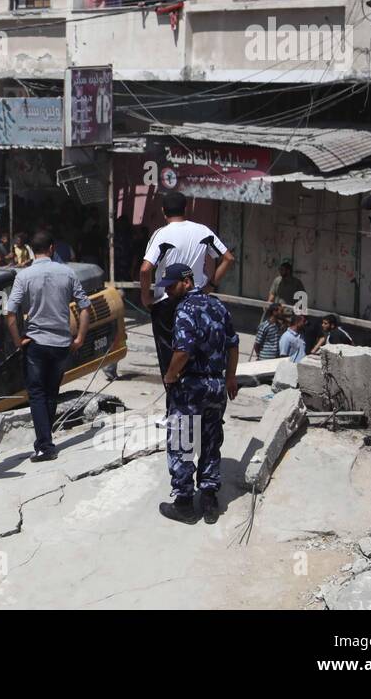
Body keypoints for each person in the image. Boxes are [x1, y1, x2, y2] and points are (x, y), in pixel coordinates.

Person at [156, 263, 238, 524]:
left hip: (191, 388)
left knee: (182, 441)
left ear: (187, 282)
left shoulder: (185, 310)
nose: (168, 291)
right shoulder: (218, 306)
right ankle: (209, 500)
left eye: (171, 286)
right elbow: (233, 344)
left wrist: (170, 377)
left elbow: (183, 350)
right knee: (211, 440)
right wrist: (230, 378)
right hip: (215, 387)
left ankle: (184, 505)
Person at [5, 231, 91, 462]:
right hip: (62, 343)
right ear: (52, 248)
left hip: (35, 342)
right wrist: (80, 338)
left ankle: (44, 444)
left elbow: (10, 313)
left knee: (36, 394)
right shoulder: (68, 273)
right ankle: (46, 439)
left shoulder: (24, 276)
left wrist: (17, 341)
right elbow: (85, 307)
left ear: (32, 250)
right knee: (52, 392)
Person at [139, 191, 235, 379]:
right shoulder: (203, 231)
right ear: (186, 208)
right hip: (198, 300)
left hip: (167, 303)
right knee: (197, 355)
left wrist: (146, 298)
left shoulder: (161, 234)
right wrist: (211, 285)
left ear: (163, 211)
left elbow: (145, 270)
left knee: (170, 362)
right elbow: (228, 258)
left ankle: (175, 400)